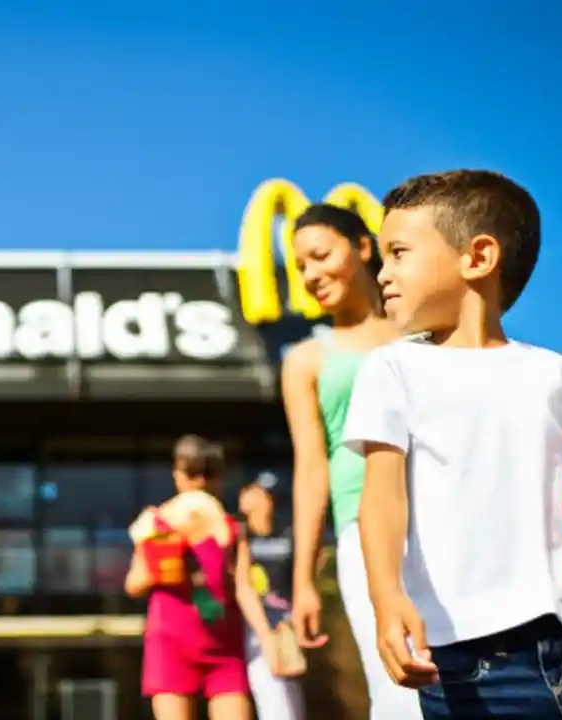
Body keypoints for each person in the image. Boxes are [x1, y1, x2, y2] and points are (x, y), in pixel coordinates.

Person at [344, 169, 562, 718]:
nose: (382, 273)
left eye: (398, 252)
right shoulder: (392, 368)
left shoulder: (558, 375)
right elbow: (382, 497)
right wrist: (386, 598)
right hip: (468, 665)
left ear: (478, 257)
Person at [281, 203, 420, 719]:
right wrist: (302, 581)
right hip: (362, 531)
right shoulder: (305, 360)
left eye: (320, 256)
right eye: (301, 268)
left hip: (438, 518)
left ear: (364, 247)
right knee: (397, 682)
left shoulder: (422, 334)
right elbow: (311, 469)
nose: (312, 275)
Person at [126, 435, 252, 720]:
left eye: (206, 473)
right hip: (174, 644)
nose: (199, 482)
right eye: (193, 473)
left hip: (222, 645)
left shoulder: (233, 529)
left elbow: (243, 588)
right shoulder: (155, 524)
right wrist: (169, 556)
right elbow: (134, 583)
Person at [237, 476, 305, 719]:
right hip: (250, 630)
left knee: (288, 705)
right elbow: (240, 586)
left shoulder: (288, 534)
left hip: (285, 627)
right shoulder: (237, 536)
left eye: (264, 494)